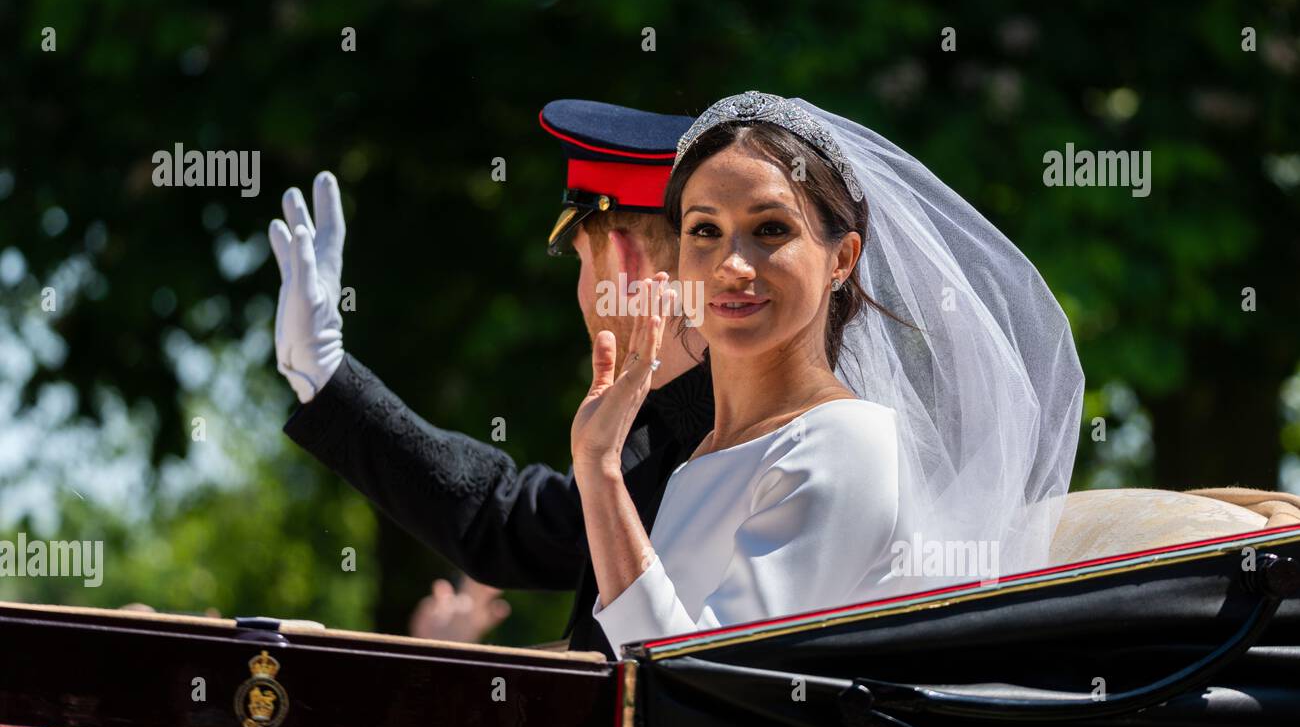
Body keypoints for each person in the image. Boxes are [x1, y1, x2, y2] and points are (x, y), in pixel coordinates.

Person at [570, 92, 1086, 657]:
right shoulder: (705, 456)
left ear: (841, 259)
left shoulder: (843, 442)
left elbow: (701, 679)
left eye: (770, 230)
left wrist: (600, 472)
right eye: (703, 231)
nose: (732, 265)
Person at [268, 100, 712, 658]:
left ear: (622, 263)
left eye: (580, 261)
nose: (580, 292)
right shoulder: (663, 430)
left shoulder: (737, 428)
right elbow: (501, 517)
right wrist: (327, 376)